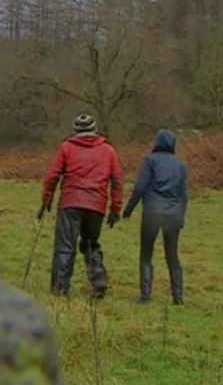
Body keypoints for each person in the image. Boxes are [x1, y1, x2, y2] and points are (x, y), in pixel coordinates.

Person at [40, 113, 124, 297]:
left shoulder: (66, 148)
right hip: (96, 205)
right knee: (90, 244)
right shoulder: (108, 150)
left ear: (75, 130)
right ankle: (98, 279)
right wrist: (115, 209)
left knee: (65, 246)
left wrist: (46, 199)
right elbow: (117, 181)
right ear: (94, 129)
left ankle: (60, 289)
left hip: (70, 203)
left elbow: (52, 176)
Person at [123, 129, 188, 305]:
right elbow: (183, 195)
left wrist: (128, 210)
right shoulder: (181, 165)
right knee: (172, 255)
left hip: (152, 212)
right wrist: (181, 217)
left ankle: (145, 295)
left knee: (146, 254)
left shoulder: (150, 161)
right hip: (173, 215)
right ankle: (178, 296)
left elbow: (140, 188)